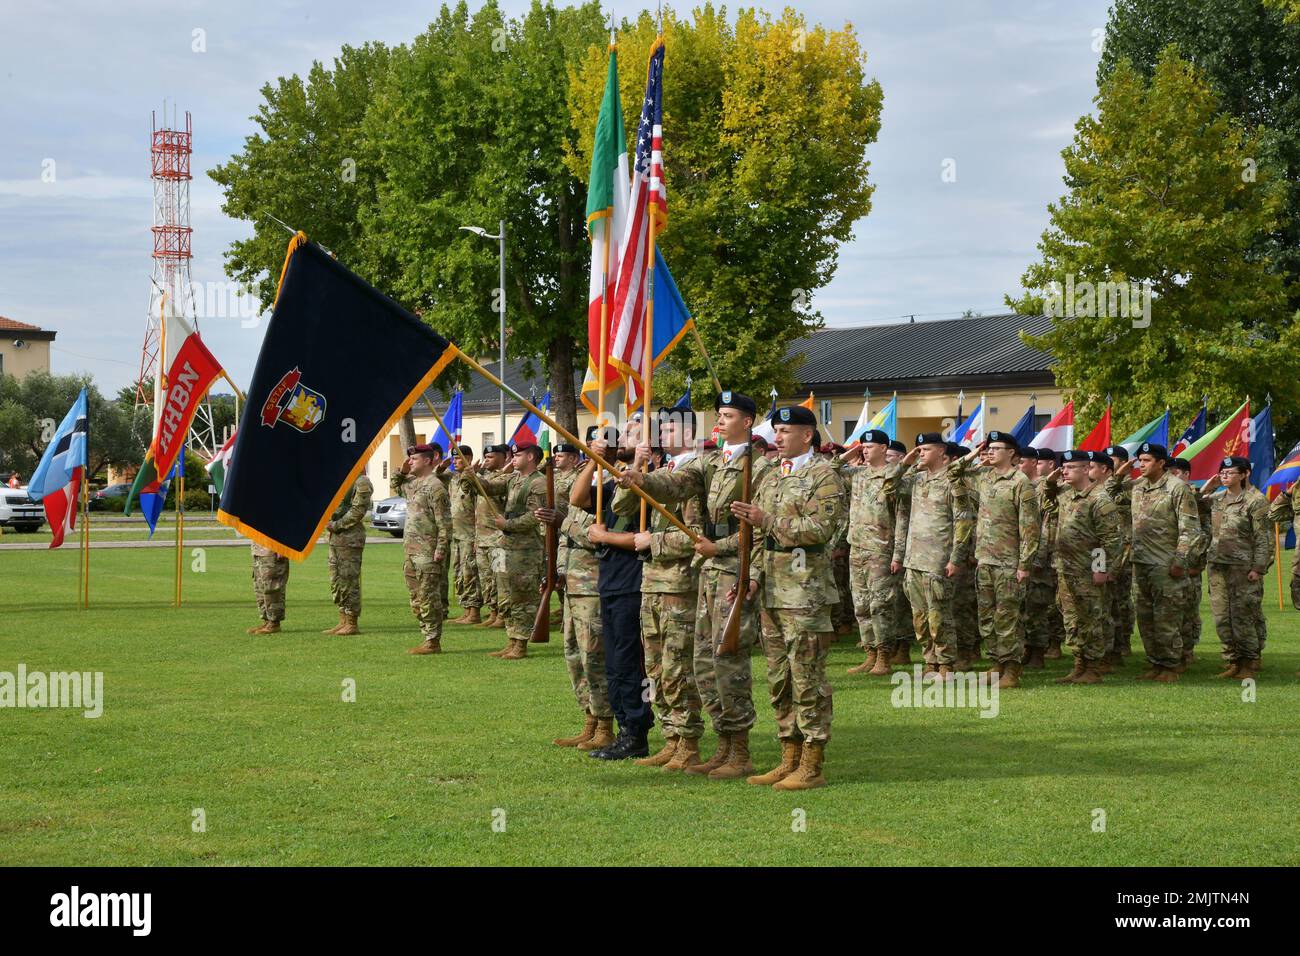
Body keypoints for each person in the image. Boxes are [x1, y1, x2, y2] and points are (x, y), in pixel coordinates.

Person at [620, 390, 775, 779]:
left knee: (730, 664)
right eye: (718, 415)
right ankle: (721, 746)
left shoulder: (760, 468)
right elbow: (677, 484)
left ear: (748, 422)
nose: (719, 421)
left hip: (732, 570)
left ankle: (739, 750)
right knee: (704, 665)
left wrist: (722, 551)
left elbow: (759, 531)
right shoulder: (710, 463)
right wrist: (642, 478)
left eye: (727, 415)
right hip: (709, 571)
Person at [738, 405, 847, 789]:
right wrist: (751, 575)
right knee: (779, 677)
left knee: (807, 677)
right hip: (771, 586)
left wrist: (766, 520)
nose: (778, 437)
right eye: (776, 431)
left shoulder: (824, 476)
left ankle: (812, 762)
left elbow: (818, 529)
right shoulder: (770, 477)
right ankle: (789, 754)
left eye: (785, 431)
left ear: (807, 435)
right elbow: (756, 537)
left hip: (806, 591)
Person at [614, 408, 705, 771]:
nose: (663, 433)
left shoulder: (695, 474)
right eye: (661, 428)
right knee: (654, 665)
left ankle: (689, 741)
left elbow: (697, 537)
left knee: (678, 665)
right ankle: (670, 737)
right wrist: (638, 467)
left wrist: (655, 541)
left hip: (680, 583)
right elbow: (620, 508)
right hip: (652, 581)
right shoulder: (659, 471)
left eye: (670, 428)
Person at [572, 434, 652, 759]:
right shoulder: (611, 485)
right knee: (615, 663)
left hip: (634, 581)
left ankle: (636, 731)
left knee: (630, 662)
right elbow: (576, 499)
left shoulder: (648, 485)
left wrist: (605, 537)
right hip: (610, 581)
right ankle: (623, 729)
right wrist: (592, 459)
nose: (621, 438)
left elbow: (643, 537)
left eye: (632, 432)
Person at [536, 443, 615, 752]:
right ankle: (589, 720)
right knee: (573, 656)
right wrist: (554, 571)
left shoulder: (608, 493)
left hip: (593, 586)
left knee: (594, 657)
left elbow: (597, 537)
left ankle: (605, 723)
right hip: (572, 584)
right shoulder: (583, 490)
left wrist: (562, 521)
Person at [952, 432, 1040, 688]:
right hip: (985, 560)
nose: (989, 452)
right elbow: (952, 474)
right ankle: (997, 663)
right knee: (987, 617)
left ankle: (1012, 668)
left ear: (1011, 452)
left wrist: (1025, 564)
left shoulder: (1020, 482)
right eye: (987, 448)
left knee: (1007, 616)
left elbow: (1030, 528)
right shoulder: (984, 477)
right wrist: (971, 454)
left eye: (995, 448)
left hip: (1009, 562)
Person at [894, 433, 975, 678]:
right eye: (918, 449)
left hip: (938, 560)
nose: (921, 453)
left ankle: (947, 664)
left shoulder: (953, 482)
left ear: (941, 452)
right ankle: (930, 661)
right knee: (919, 617)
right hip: (914, 559)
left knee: (939, 616)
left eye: (925, 449)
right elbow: (888, 486)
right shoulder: (916, 479)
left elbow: (963, 523)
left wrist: (956, 557)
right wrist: (904, 464)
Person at [1128, 442, 1205, 682]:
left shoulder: (1177, 488)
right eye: (1140, 460)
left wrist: (1180, 560)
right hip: (1141, 563)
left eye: (1147, 460)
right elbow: (1109, 491)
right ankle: (1156, 663)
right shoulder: (1138, 487)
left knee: (1167, 618)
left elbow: (1190, 528)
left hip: (1166, 563)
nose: (1142, 465)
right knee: (1146, 618)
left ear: (1161, 463)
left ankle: (1172, 665)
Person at [837, 430, 909, 676]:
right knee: (861, 605)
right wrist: (850, 453)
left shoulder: (894, 475)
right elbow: (830, 470)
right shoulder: (857, 475)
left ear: (882, 448)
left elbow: (901, 517)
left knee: (881, 605)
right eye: (862, 447)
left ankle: (884, 656)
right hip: (857, 547)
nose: (864, 450)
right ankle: (869, 653)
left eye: (869, 446)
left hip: (881, 549)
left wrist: (898, 554)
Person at [1046, 450, 1122, 683]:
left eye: (1070, 468)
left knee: (1091, 619)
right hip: (1065, 568)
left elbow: (1110, 539)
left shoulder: (1099, 499)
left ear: (1085, 469)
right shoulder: (1067, 494)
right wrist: (1050, 482)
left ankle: (1094, 668)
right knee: (1072, 620)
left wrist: (1101, 568)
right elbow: (1045, 497)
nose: (1064, 472)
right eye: (1063, 468)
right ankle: (1079, 664)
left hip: (1087, 571)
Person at [472, 441, 547, 660]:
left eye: (519, 455)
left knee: (522, 596)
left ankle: (521, 643)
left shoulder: (538, 483)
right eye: (513, 455)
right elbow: (489, 487)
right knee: (506, 595)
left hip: (525, 550)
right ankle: (511, 640)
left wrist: (508, 525)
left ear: (531, 457)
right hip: (505, 546)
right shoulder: (514, 479)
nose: (513, 458)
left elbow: (536, 515)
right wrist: (472, 477)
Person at [1203, 457, 1271, 679]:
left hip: (1243, 568)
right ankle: (1232, 661)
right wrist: (1207, 487)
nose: (1224, 476)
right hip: (1218, 565)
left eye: (1230, 472)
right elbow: (1191, 505)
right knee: (1222, 616)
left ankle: (1249, 663)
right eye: (1222, 472)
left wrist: (1258, 568)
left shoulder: (1255, 500)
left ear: (1244, 475)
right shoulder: (1218, 498)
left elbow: (1263, 538)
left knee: (1244, 616)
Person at [392, 443, 452, 654]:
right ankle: (426, 634)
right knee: (416, 598)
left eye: (414, 459)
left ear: (428, 460)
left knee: (429, 597)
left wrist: (441, 549)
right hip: (411, 551)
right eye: (409, 458)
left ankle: (433, 640)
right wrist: (402, 469)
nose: (410, 461)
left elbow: (444, 523)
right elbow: (395, 482)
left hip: (428, 551)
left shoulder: (435, 486)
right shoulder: (412, 484)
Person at [1166, 456, 1212, 669]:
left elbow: (1203, 533)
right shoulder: (1166, 495)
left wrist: (1197, 563)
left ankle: (1187, 650)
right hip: (1169, 562)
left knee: (1189, 610)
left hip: (1190, 564)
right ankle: (1171, 652)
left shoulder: (1196, 497)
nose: (1171, 476)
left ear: (1186, 474)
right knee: (1170, 611)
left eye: (1175, 472)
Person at [322, 471, 374, 636]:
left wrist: (336, 525)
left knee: (349, 580)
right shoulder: (343, 479)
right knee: (337, 580)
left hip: (350, 537)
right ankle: (342, 620)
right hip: (335, 537)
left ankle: (352, 622)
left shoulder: (362, 481)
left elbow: (358, 511)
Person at [1101, 444, 1136, 664]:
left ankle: (1123, 641)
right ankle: (1109, 644)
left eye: (1112, 460)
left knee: (1122, 598)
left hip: (1126, 549)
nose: (1107, 464)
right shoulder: (1103, 486)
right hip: (1106, 549)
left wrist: (1119, 478)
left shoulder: (1134, 486)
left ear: (1124, 463)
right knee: (1107, 598)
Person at [474, 444, 509, 632]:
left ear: (504, 458)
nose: (486, 459)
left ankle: (504, 614)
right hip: (482, 538)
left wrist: (473, 476)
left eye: (491, 457)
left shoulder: (505, 479)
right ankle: (493, 611)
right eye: (485, 456)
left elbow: (488, 490)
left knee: (500, 579)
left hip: (497, 539)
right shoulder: (485, 477)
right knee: (487, 579)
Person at [446, 445, 483, 625]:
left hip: (470, 534)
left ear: (468, 458)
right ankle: (466, 610)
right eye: (454, 459)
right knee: (459, 573)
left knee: (470, 573)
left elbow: (479, 509)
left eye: (458, 458)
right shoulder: (454, 480)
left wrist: (478, 536)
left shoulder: (476, 480)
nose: (455, 461)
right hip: (457, 534)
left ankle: (474, 611)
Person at [248, 541, 289, 634]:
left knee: (272, 588)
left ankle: (274, 623)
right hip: (259, 550)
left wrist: (282, 547)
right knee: (260, 587)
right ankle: (267, 621)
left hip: (273, 551)